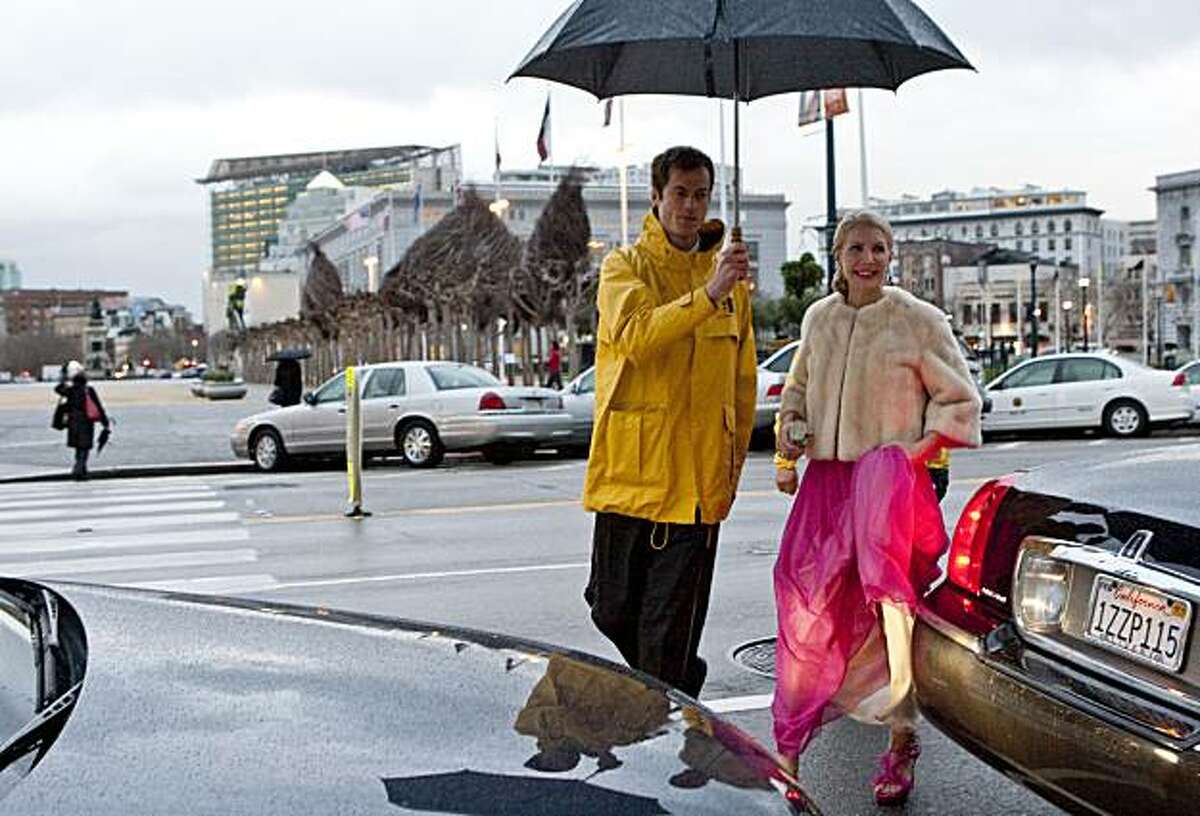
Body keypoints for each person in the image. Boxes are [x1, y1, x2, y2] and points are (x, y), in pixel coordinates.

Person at [771, 210, 981, 805]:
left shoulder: (917, 321)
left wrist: (912, 452)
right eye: (857, 248)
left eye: (879, 249)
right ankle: (787, 755)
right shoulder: (819, 319)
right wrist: (792, 429)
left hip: (888, 483)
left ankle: (901, 734)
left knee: (889, 607)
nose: (868, 259)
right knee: (803, 600)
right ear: (837, 256)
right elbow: (796, 390)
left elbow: (961, 403)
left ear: (892, 256)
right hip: (825, 483)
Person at [582, 145, 757, 698]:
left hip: (696, 490)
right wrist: (707, 295)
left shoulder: (731, 281)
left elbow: (742, 382)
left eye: (700, 195)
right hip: (631, 478)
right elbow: (636, 336)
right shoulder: (623, 268)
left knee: (665, 638)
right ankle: (682, 682)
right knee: (608, 608)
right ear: (656, 198)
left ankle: (669, 734)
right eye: (679, 193)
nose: (689, 206)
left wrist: (729, 472)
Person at [55, 360, 111, 481]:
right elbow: (98, 406)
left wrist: (63, 375)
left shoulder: (70, 391)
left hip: (73, 422)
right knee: (84, 448)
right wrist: (105, 422)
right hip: (86, 421)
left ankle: (82, 470)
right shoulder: (88, 390)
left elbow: (58, 388)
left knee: (78, 448)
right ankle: (79, 470)